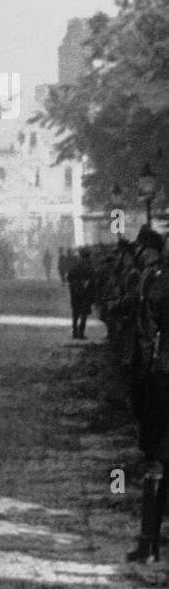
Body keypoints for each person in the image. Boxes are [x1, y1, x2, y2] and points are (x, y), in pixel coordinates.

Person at [128, 229, 169, 562]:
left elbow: (144, 339)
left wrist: (139, 387)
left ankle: (149, 543)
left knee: (157, 459)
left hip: (164, 377)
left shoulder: (158, 283)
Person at [66, 248, 95, 339]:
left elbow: (69, 278)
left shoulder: (75, 265)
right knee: (84, 313)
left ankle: (75, 332)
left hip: (75, 292)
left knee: (75, 313)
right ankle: (81, 333)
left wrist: (75, 284)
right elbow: (93, 280)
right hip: (86, 293)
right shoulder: (89, 267)